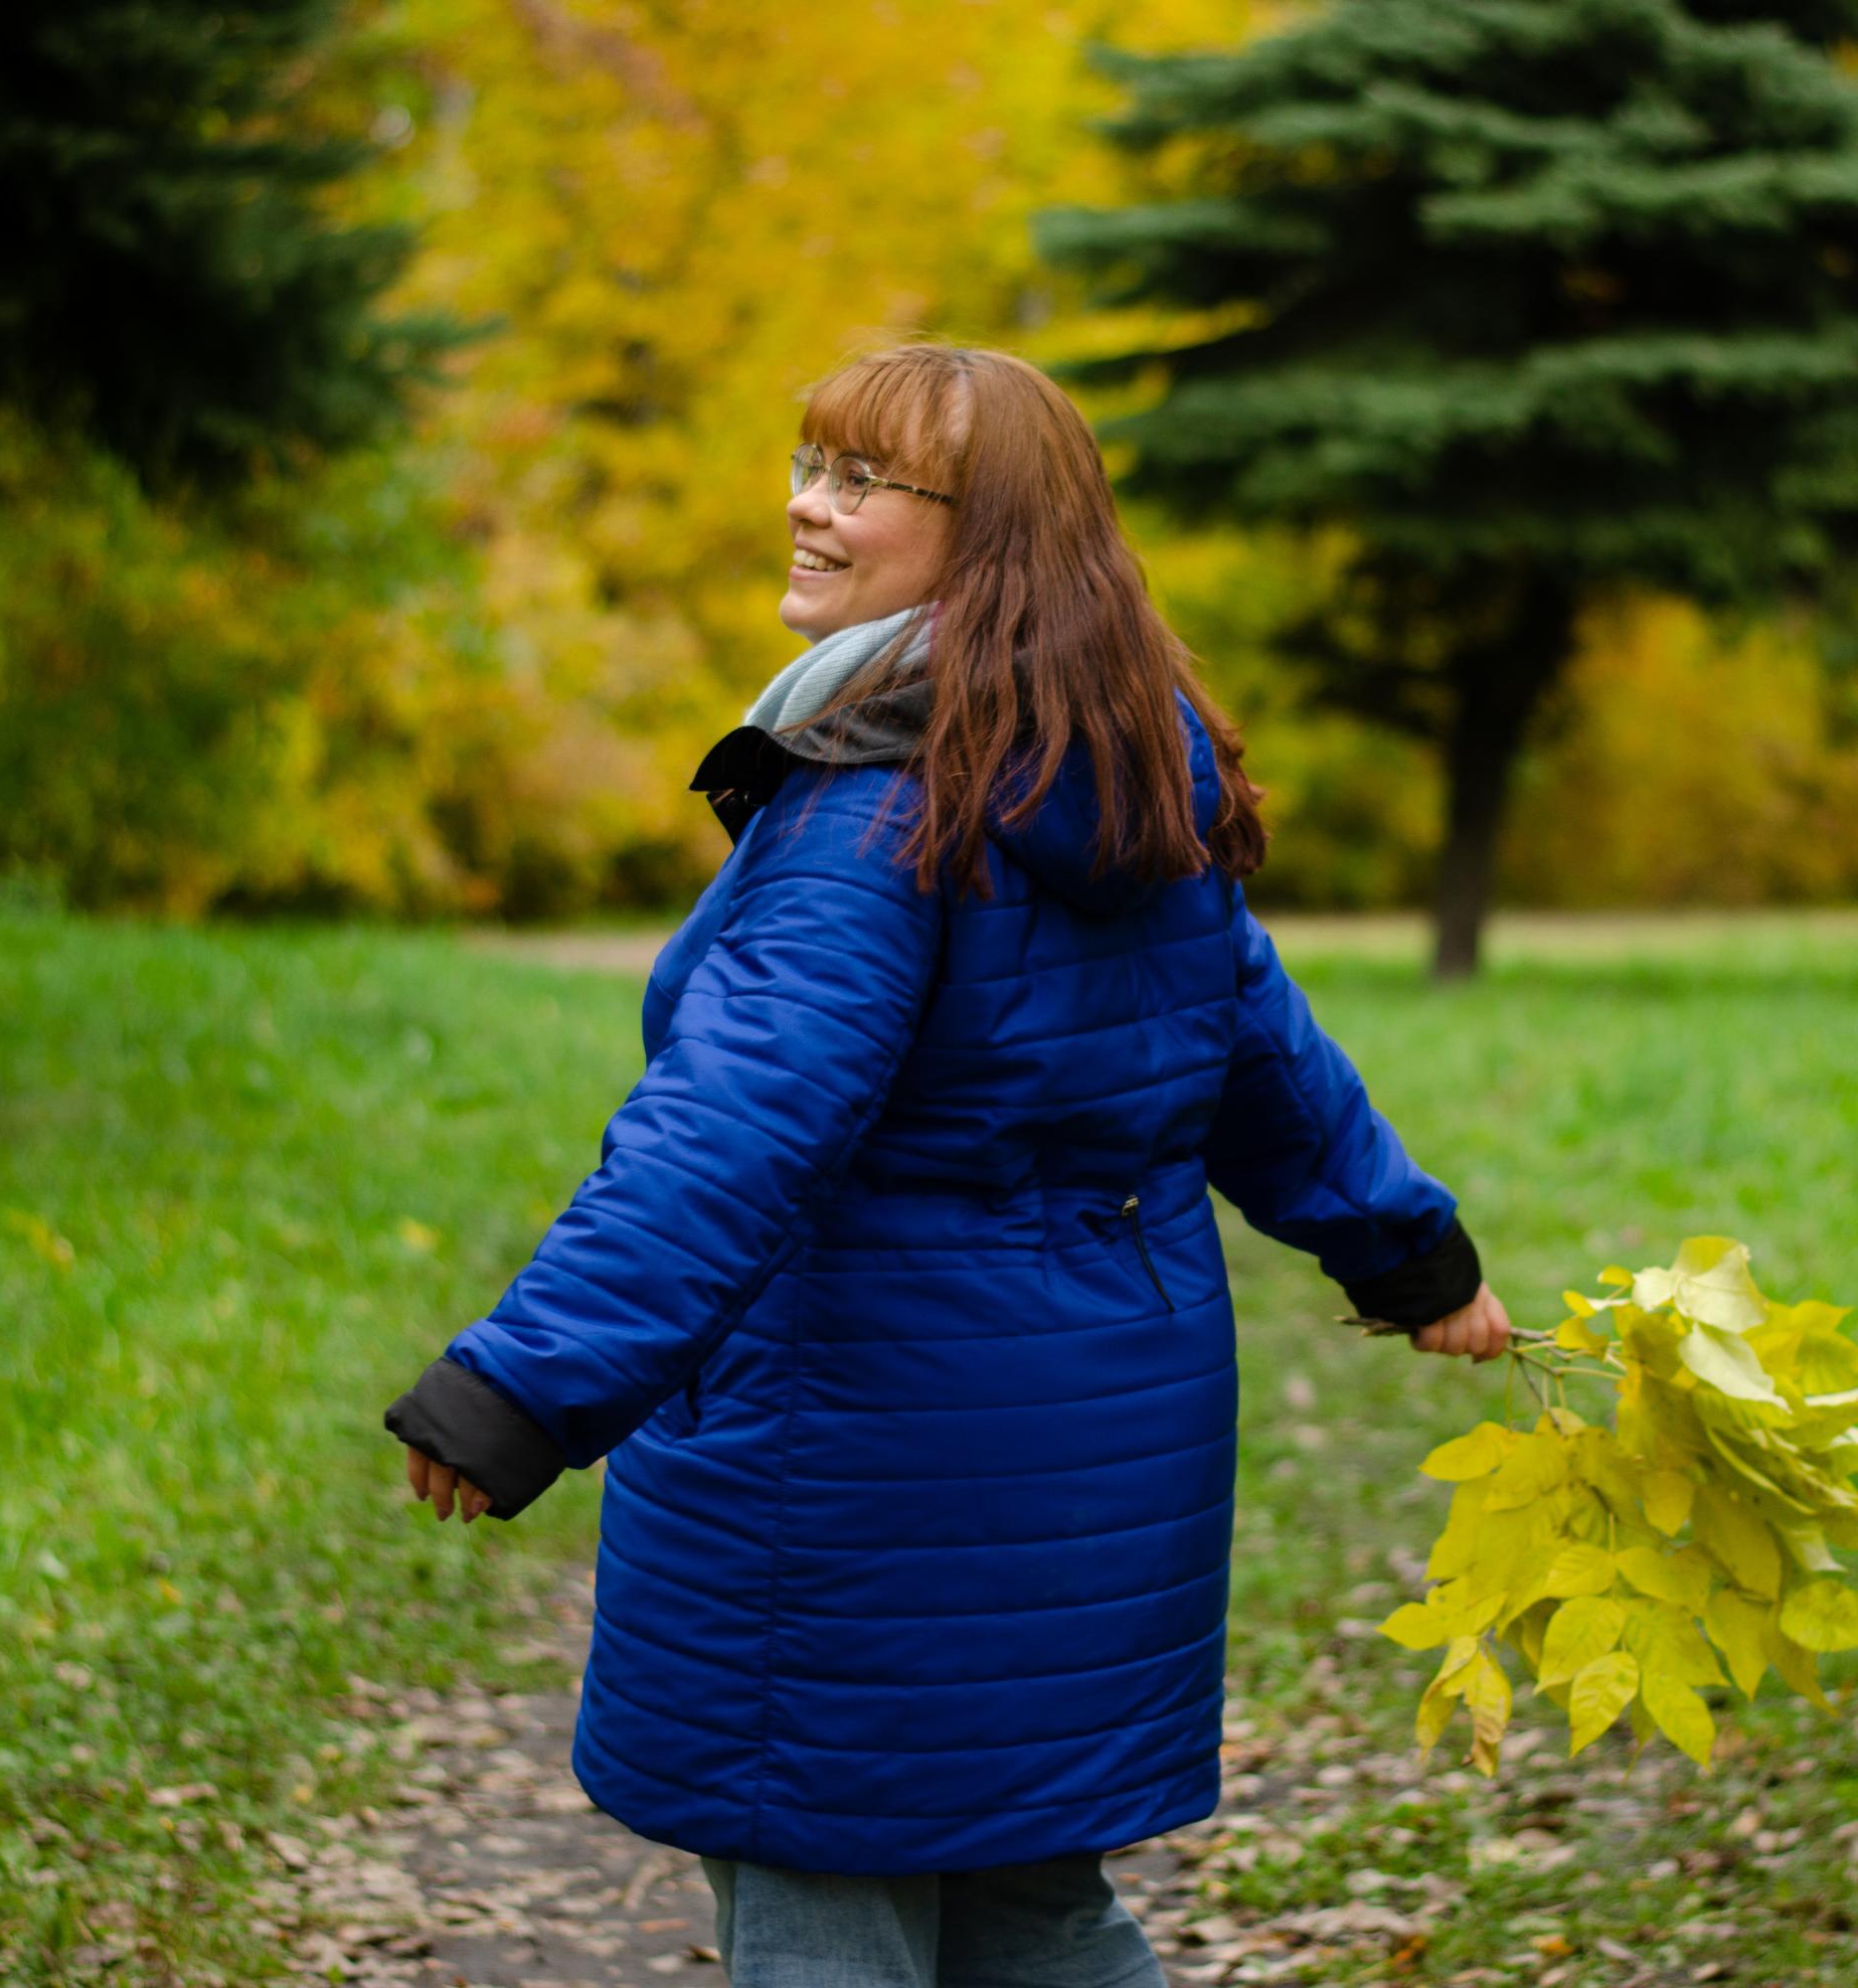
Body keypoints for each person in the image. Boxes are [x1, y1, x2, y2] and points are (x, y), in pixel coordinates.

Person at [384, 341, 1511, 1987]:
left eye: (858, 483)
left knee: (822, 1901)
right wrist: (1412, 1255)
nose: (805, 506)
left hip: (854, 1471)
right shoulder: (1121, 763)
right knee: (1026, 1907)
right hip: (1085, 1462)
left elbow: (736, 1125)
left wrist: (530, 1384)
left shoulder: (880, 803)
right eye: (810, 464)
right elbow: (1264, 1052)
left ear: (984, 535)